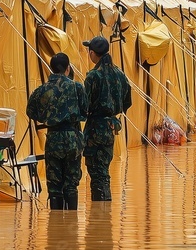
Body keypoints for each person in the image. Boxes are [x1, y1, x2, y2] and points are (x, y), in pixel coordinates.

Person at [26, 52, 87, 211]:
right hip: (72, 138)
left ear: (51, 69)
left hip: (53, 138)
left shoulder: (42, 90)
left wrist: (46, 117)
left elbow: (30, 111)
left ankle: (56, 227)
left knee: (54, 186)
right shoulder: (77, 87)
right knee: (71, 185)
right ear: (68, 68)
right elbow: (85, 111)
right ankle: (71, 227)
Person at [82, 36, 132, 202]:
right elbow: (127, 102)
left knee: (96, 172)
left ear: (93, 53)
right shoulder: (120, 75)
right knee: (104, 169)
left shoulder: (93, 76)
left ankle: (101, 212)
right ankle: (104, 214)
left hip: (95, 128)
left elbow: (84, 105)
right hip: (111, 127)